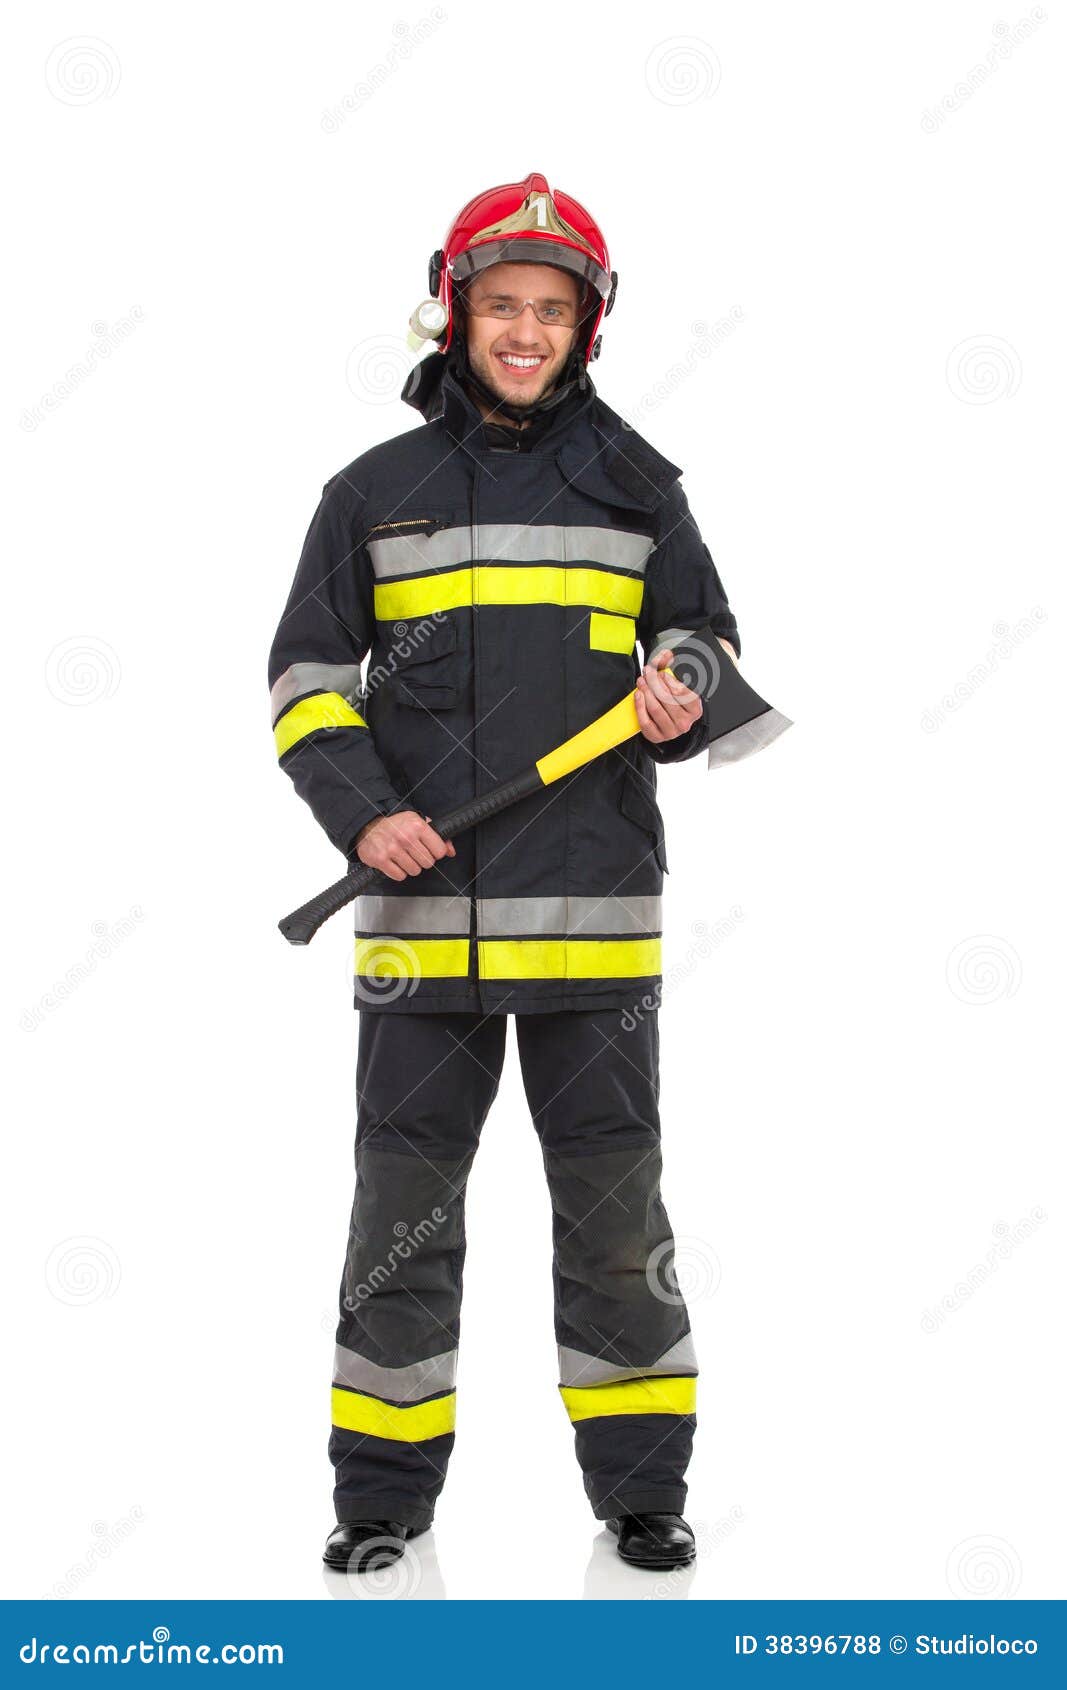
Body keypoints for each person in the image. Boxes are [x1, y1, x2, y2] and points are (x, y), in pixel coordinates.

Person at [268, 173, 744, 1576]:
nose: (524, 331)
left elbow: (707, 648)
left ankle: (643, 1494)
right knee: (398, 1228)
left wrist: (681, 687)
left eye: (552, 309)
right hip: (419, 932)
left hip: (595, 938)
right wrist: (362, 817)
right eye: (502, 305)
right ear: (455, 307)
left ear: (589, 325)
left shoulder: (642, 488)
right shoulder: (370, 495)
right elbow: (304, 683)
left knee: (614, 1223)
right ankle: (381, 1506)